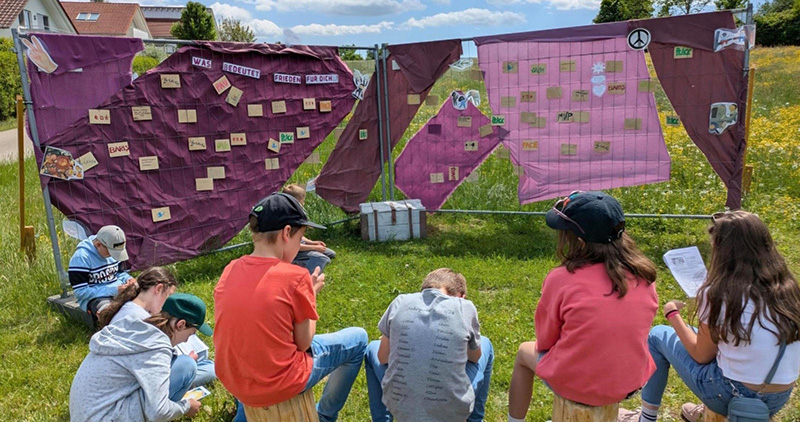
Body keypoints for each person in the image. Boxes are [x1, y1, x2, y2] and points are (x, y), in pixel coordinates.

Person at [618, 211, 800, 422]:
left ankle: (646, 418)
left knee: (659, 335)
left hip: (732, 393)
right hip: (780, 394)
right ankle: (703, 412)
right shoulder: (788, 288)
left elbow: (701, 355)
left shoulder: (720, 292)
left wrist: (673, 314)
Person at [213, 193, 368, 422]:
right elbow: (303, 343)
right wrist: (310, 296)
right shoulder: (295, 276)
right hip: (280, 382)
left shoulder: (230, 269)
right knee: (359, 340)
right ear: (287, 233)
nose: (299, 245)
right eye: (301, 239)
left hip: (235, 379)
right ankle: (325, 415)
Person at [507, 191, 658, 422]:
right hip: (629, 382)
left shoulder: (561, 279)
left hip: (576, 385)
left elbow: (545, 340)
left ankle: (514, 421)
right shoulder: (644, 276)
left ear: (578, 240)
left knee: (522, 353)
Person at [364, 268, 494, 422]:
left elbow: (382, 357)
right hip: (452, 412)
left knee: (372, 347)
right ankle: (474, 419)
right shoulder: (464, 306)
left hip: (400, 408)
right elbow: (475, 357)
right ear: (461, 296)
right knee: (485, 344)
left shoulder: (400, 301)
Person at [69, 293, 213, 422]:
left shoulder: (134, 326)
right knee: (186, 365)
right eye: (191, 334)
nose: (187, 340)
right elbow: (158, 412)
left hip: (87, 414)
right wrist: (186, 407)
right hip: (109, 416)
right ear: (180, 325)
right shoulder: (157, 347)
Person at [97, 267, 217, 398]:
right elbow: (151, 367)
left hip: (129, 379)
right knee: (199, 367)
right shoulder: (139, 320)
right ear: (159, 289)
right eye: (169, 296)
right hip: (136, 385)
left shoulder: (133, 309)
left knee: (204, 362)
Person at [68, 225, 135, 317]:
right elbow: (81, 292)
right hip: (97, 298)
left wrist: (128, 279)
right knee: (109, 311)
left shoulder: (113, 247)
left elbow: (120, 273)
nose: (113, 256)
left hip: (117, 291)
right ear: (99, 244)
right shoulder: (81, 258)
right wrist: (114, 290)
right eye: (111, 252)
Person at [282, 183, 336, 273]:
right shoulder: (287, 219)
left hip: (301, 246)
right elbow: (293, 245)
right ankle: (293, 265)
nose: (304, 202)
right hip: (294, 250)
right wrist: (314, 248)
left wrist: (312, 243)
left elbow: (299, 235)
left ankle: (306, 259)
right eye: (302, 200)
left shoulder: (297, 214)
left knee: (331, 254)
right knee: (323, 259)